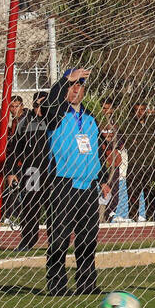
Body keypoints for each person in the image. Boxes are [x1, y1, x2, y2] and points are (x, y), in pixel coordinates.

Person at [41, 66, 102, 296]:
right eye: (72, 85)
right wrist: (65, 79)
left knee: (87, 238)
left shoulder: (89, 116)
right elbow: (49, 103)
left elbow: (96, 150)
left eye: (80, 85)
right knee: (59, 237)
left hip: (88, 185)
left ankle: (87, 284)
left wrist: (102, 177)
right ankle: (57, 285)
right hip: (63, 183)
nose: (76, 89)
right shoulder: (55, 113)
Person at [7, 92, 50, 249]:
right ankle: (28, 241)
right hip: (32, 171)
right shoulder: (24, 123)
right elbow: (14, 151)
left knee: (53, 207)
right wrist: (11, 172)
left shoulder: (55, 121)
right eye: (37, 105)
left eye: (43, 105)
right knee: (30, 207)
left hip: (53, 171)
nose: (40, 108)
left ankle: (55, 242)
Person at [120, 99, 155, 222]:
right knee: (133, 196)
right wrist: (145, 142)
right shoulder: (128, 124)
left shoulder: (152, 123)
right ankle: (133, 220)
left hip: (150, 165)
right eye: (137, 110)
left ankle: (151, 220)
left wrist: (142, 141)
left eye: (142, 110)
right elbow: (128, 143)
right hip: (135, 165)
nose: (140, 113)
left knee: (151, 197)